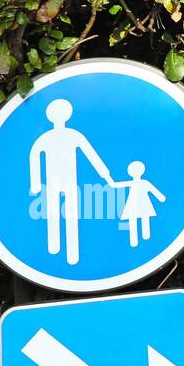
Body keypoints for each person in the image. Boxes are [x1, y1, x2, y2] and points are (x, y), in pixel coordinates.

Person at [28, 98, 114, 265]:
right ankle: (59, 249)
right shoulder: (64, 136)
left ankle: (64, 251)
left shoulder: (60, 136)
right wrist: (36, 183)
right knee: (59, 213)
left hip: (66, 181)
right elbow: (34, 157)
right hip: (58, 181)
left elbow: (92, 156)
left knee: (63, 213)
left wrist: (105, 175)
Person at [110, 161, 166, 248]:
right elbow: (115, 185)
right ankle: (135, 241)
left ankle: (145, 238)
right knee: (135, 220)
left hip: (142, 203)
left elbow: (154, 191)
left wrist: (161, 197)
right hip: (134, 204)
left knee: (143, 218)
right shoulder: (136, 182)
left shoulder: (144, 182)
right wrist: (109, 180)